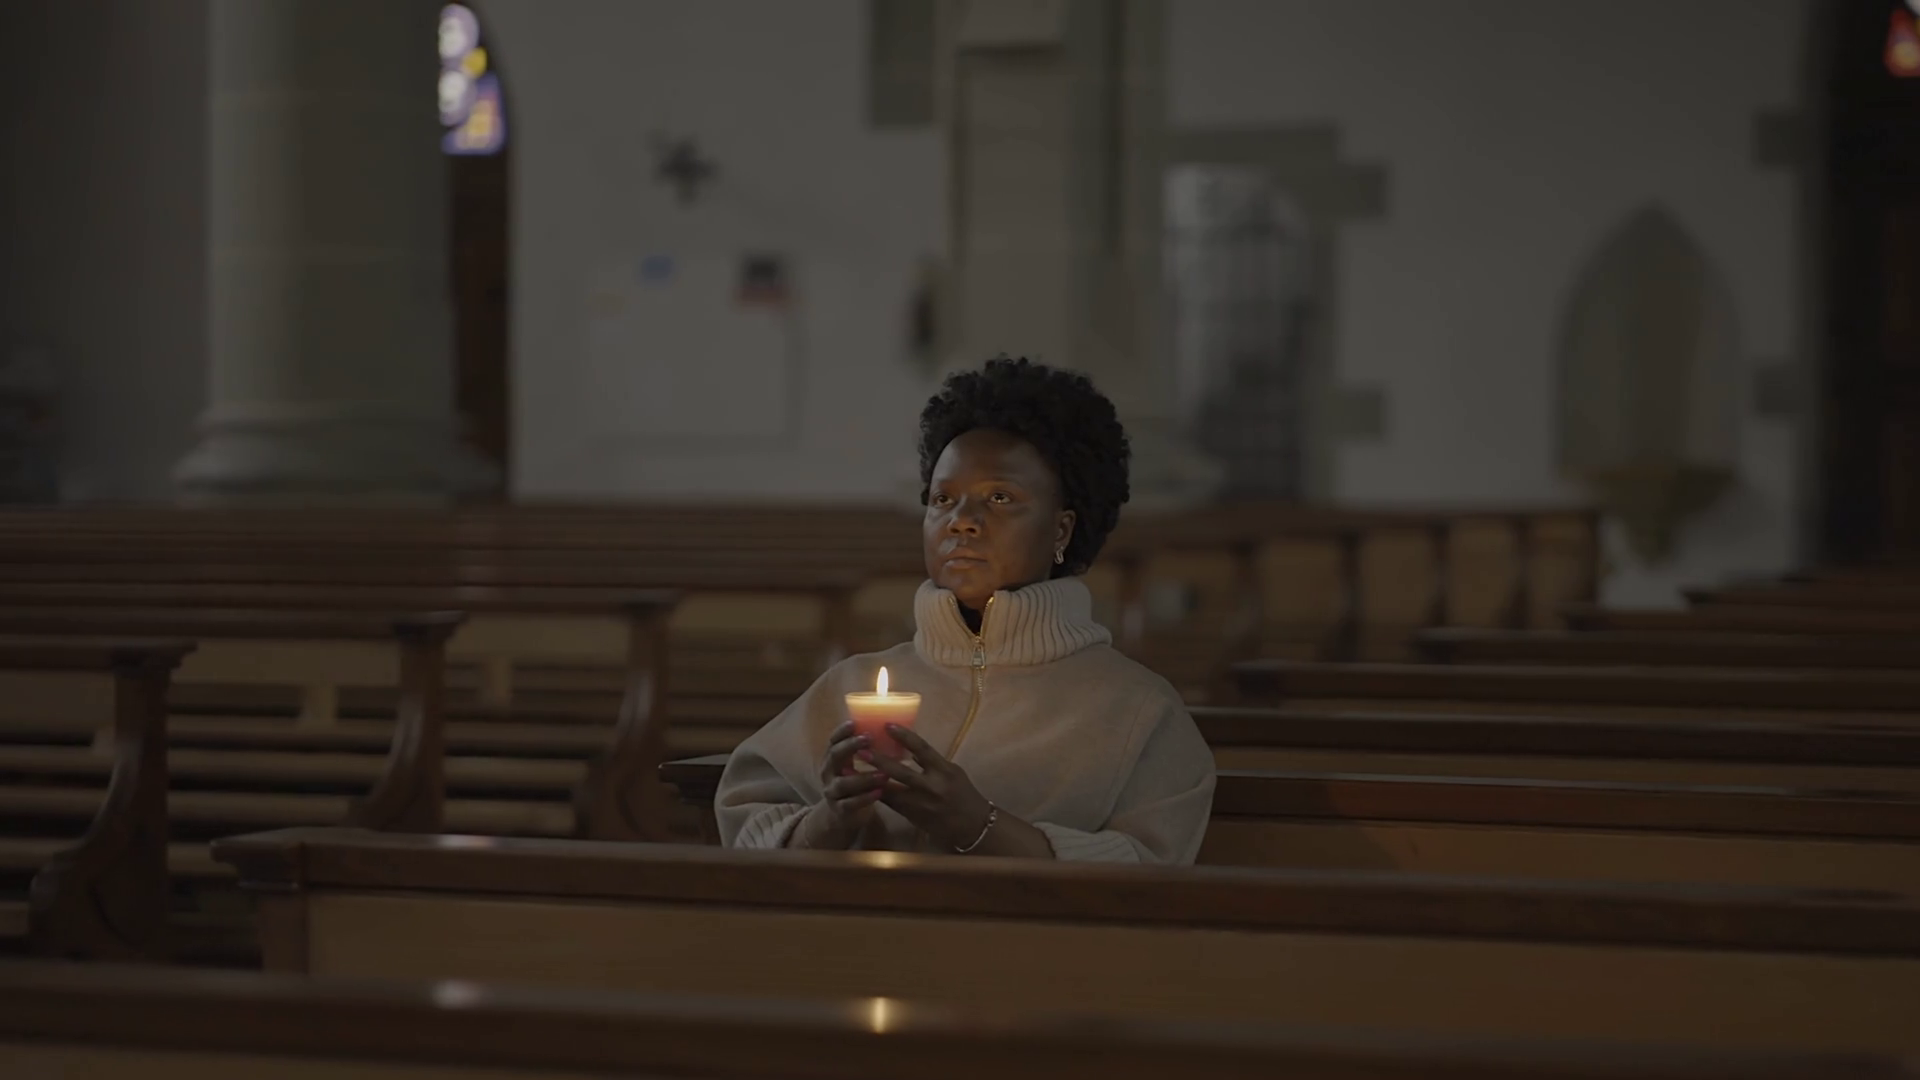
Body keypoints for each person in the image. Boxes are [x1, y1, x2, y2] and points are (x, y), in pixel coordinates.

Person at [715, 357, 1216, 862]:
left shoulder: (1137, 710)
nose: (962, 522)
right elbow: (747, 827)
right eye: (943, 499)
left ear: (1062, 530)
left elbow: (1151, 870)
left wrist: (978, 826)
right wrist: (833, 819)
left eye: (999, 497)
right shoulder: (849, 685)